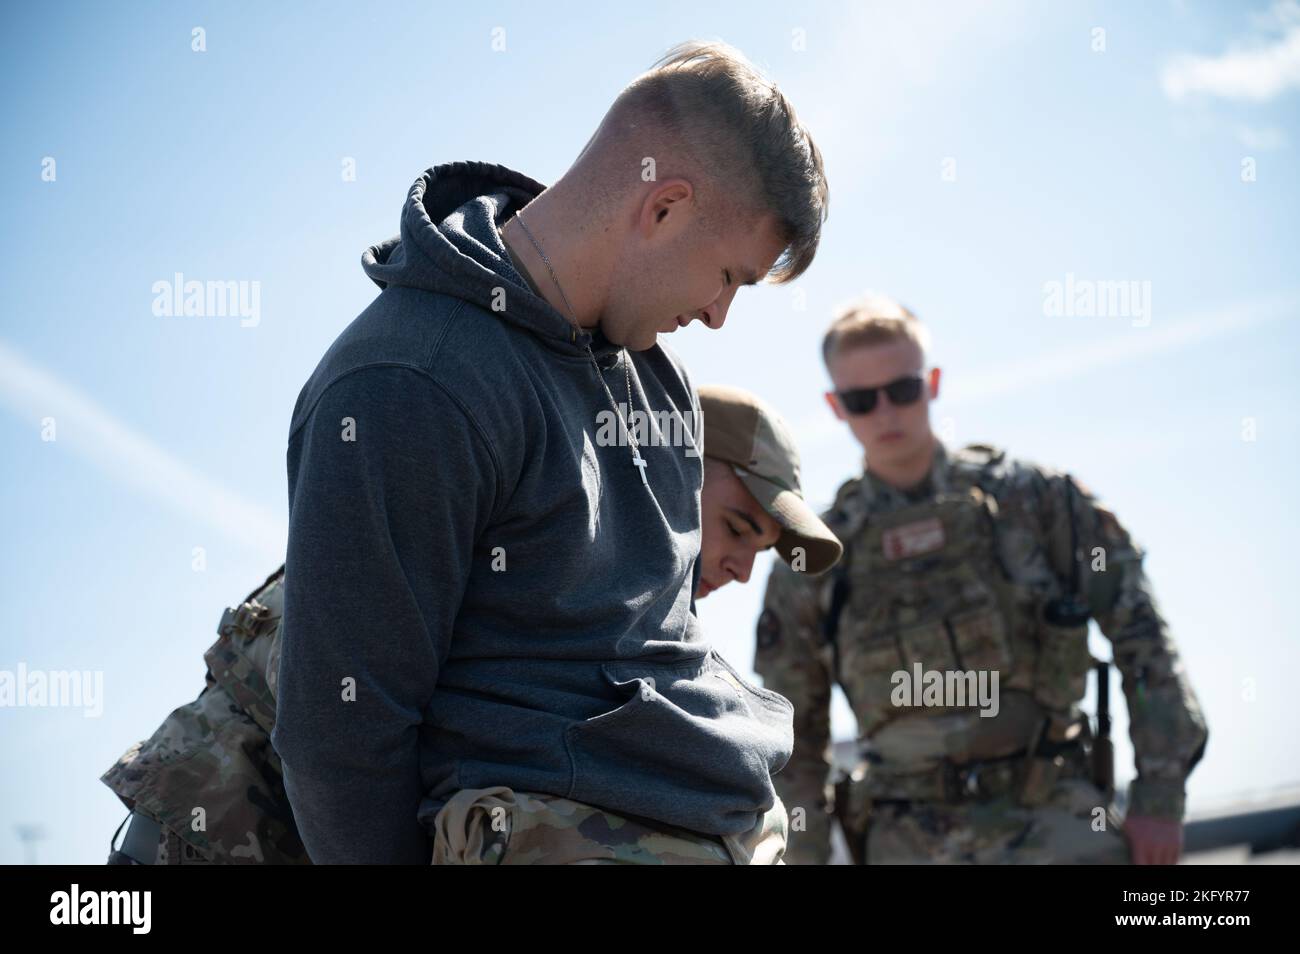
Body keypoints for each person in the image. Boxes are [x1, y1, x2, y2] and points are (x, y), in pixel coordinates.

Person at [101, 382, 841, 864]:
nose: (744, 566)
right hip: (214, 825)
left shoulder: (617, 615)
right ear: (668, 467)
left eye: (764, 549)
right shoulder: (533, 547)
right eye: (739, 526)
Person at [755, 294, 1208, 865]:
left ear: (933, 382)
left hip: (1054, 818)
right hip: (908, 839)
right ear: (835, 406)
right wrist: (804, 858)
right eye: (861, 400)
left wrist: (1160, 799)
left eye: (902, 390)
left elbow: (1145, 642)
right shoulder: (818, 554)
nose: (887, 413)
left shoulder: (1040, 503)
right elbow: (792, 732)